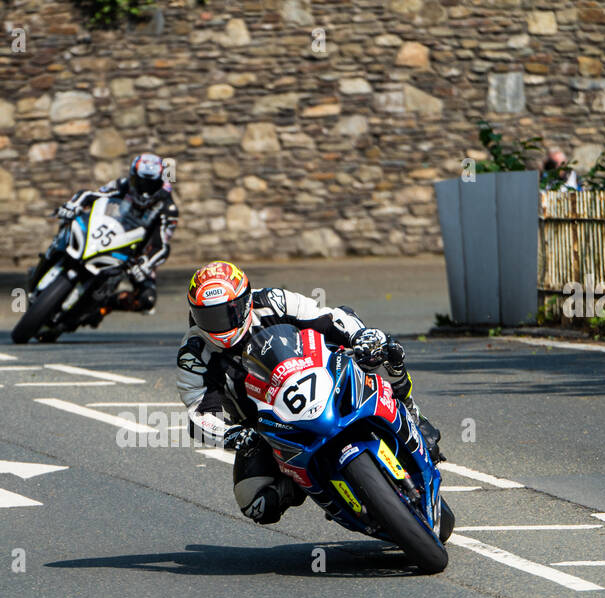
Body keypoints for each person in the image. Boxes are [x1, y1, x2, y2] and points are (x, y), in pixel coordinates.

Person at [176, 260, 443, 525]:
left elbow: (328, 318)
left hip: (322, 378)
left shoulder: (273, 301)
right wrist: (234, 435)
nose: (219, 325)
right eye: (208, 317)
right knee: (255, 503)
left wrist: (360, 336)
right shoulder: (194, 353)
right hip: (266, 428)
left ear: (245, 301)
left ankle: (410, 410)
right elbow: (199, 414)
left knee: (384, 352)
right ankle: (301, 482)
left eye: (226, 313)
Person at [27, 153, 179, 313]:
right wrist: (73, 205)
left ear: (161, 182)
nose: (144, 191)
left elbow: (160, 246)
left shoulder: (168, 209)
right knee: (68, 225)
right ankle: (44, 265)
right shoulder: (123, 185)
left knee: (147, 300)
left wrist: (145, 264)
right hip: (106, 233)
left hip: (134, 257)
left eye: (151, 185)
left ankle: (102, 307)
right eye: (140, 183)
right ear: (133, 177)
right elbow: (94, 195)